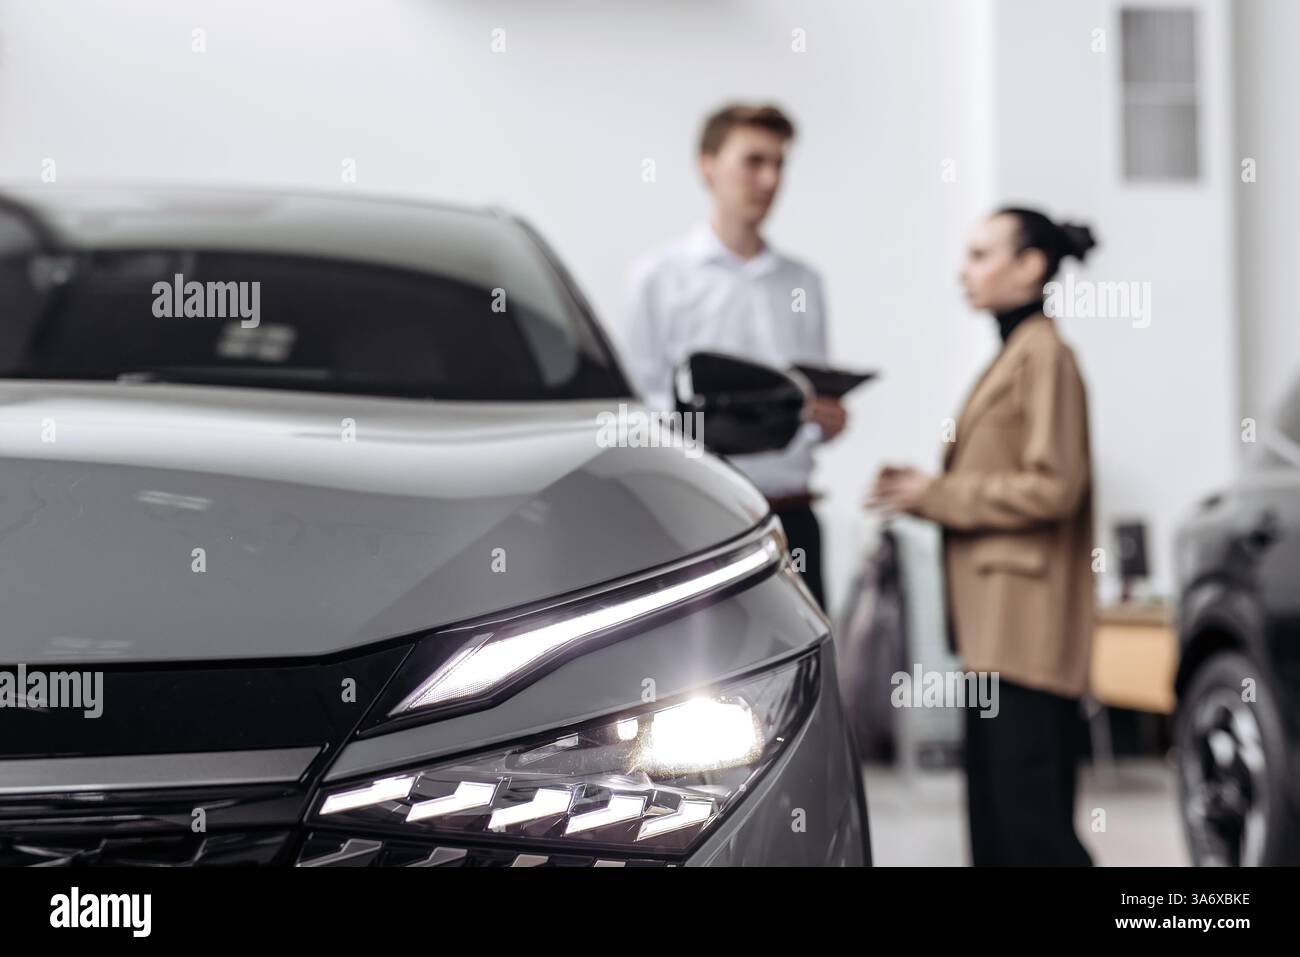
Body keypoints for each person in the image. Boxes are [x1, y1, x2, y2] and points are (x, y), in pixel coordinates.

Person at [868, 207, 1098, 866]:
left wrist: (934, 494)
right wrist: (924, 492)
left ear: (1030, 266)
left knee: (1032, 830)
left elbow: (1055, 486)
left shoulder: (1046, 355)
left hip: (1027, 631)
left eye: (979, 255)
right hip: (994, 631)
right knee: (997, 825)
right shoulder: (1015, 354)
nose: (963, 271)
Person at [622, 103, 845, 606]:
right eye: (754, 161)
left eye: (779, 163)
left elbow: (810, 399)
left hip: (792, 516)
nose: (769, 179)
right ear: (708, 166)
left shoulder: (803, 282)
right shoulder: (660, 278)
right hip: (698, 519)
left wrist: (824, 420)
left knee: (808, 670)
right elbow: (636, 409)